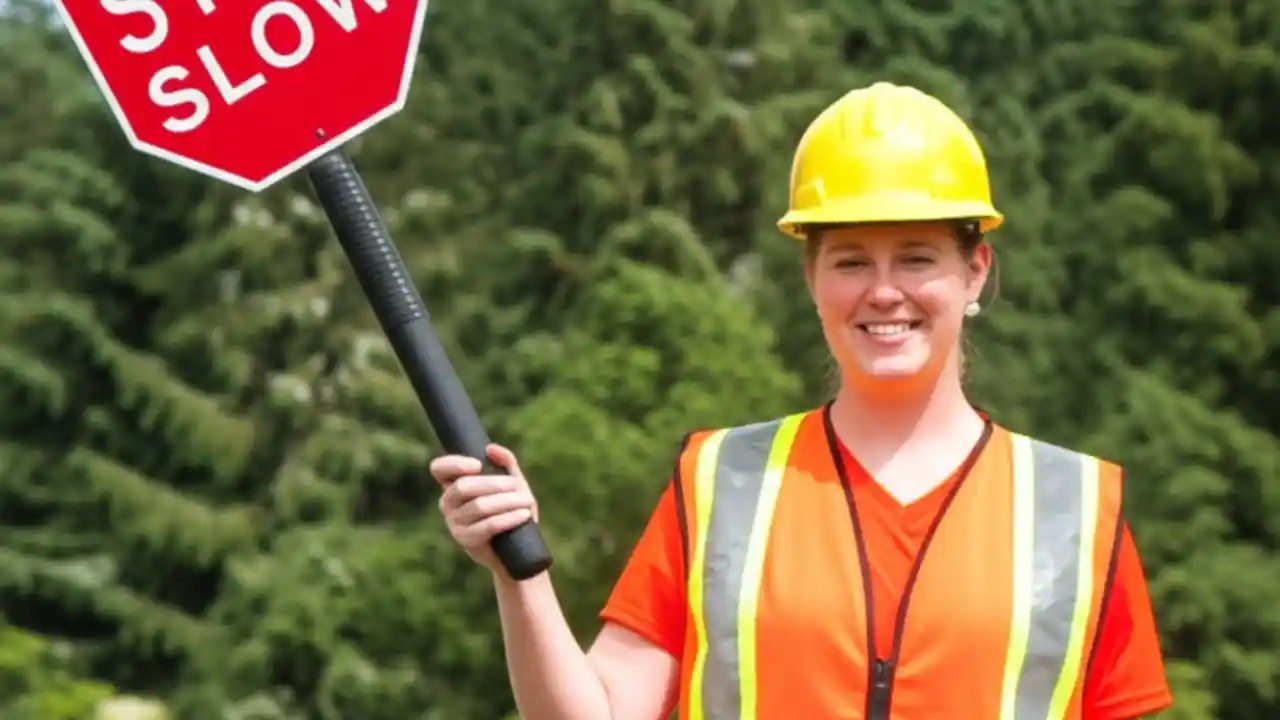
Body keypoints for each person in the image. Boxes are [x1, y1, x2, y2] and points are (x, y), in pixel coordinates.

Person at [429, 81, 1174, 720]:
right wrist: (516, 575)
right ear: (812, 278)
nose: (885, 291)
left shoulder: (1075, 506)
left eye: (917, 257)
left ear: (975, 271)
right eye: (852, 261)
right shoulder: (722, 480)